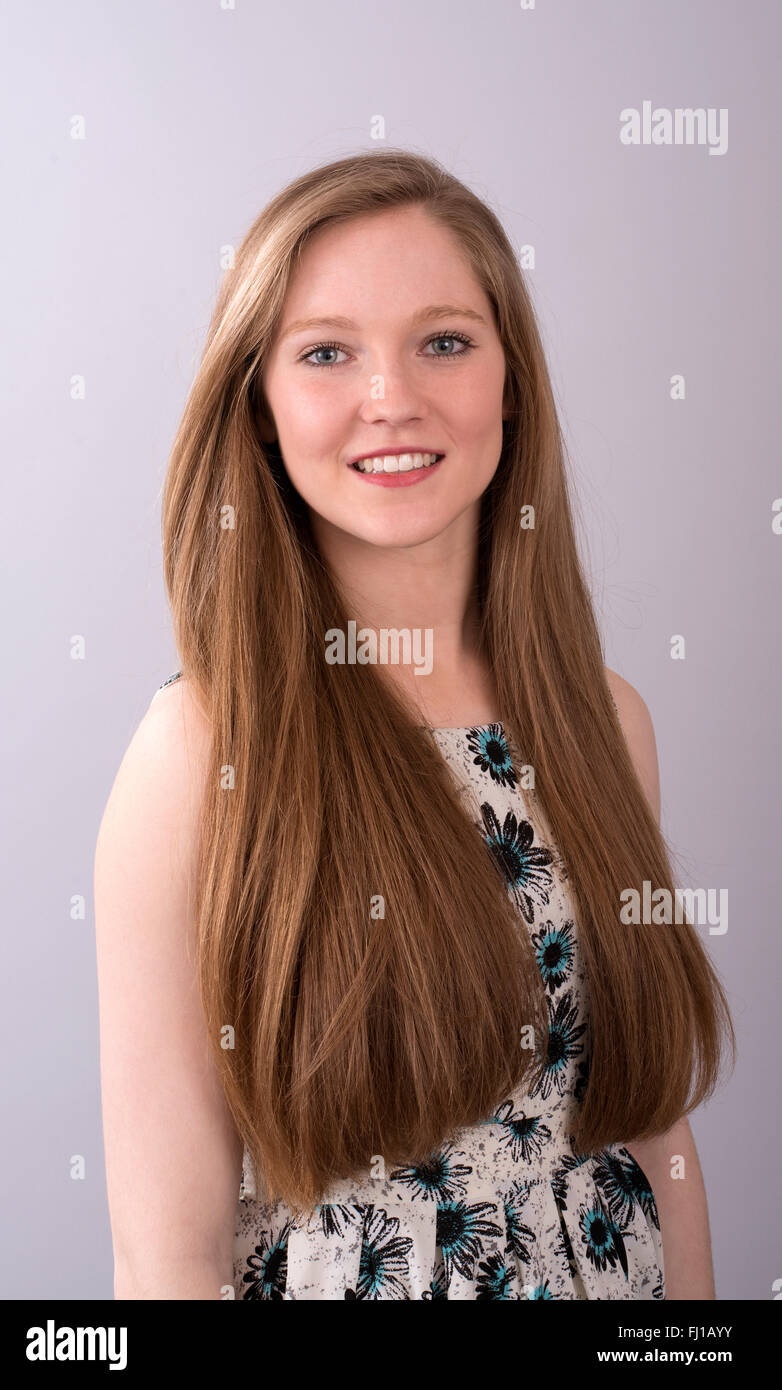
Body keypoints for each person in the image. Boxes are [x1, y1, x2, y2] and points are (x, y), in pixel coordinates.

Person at [94, 149, 734, 1301]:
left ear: (510, 384)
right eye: (325, 351)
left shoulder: (606, 719)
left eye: (442, 341)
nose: (390, 396)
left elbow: (648, 1126)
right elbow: (165, 1256)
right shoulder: (196, 757)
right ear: (259, 403)